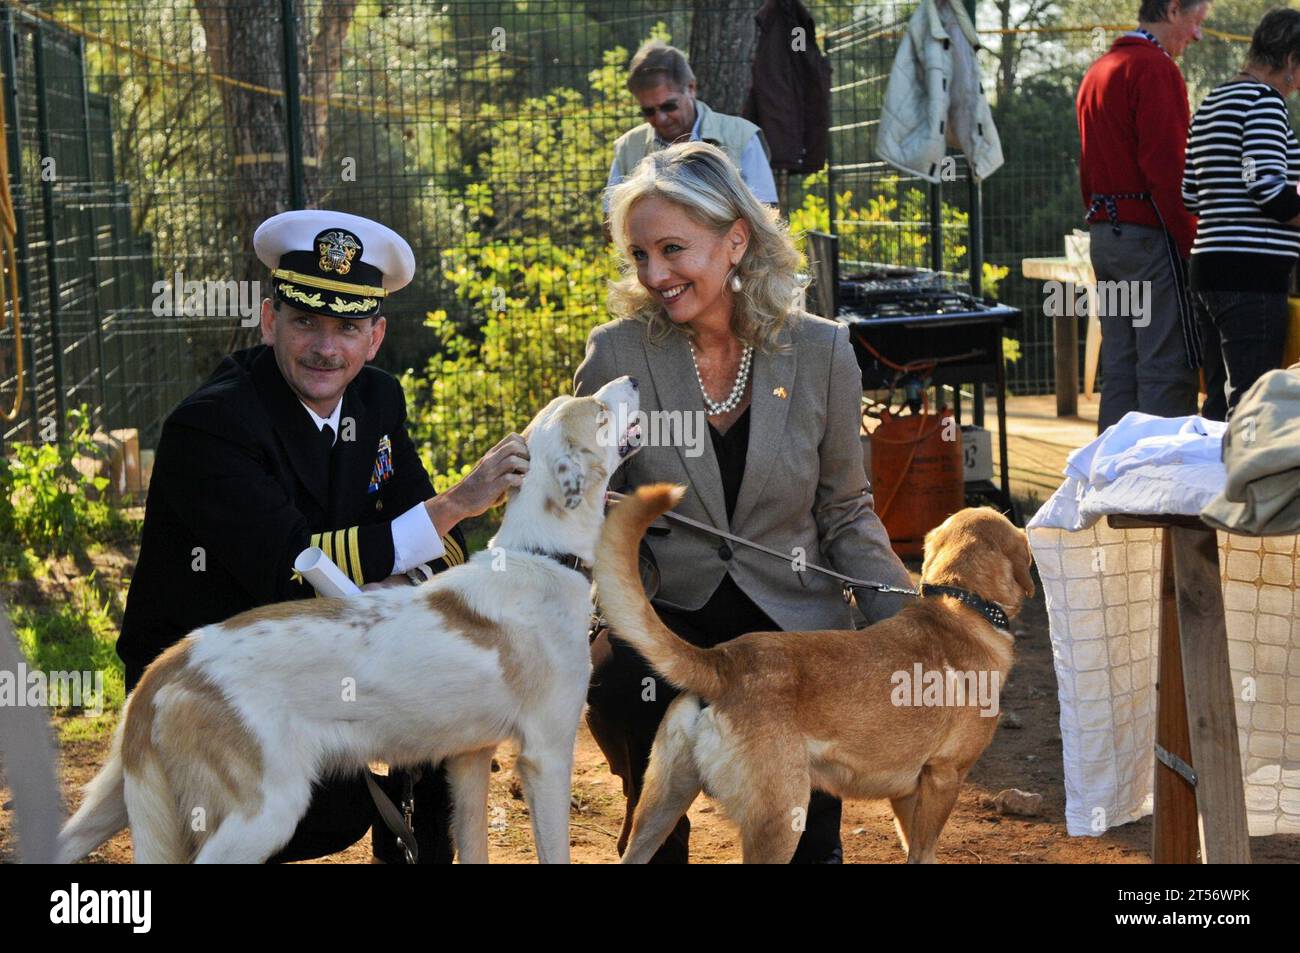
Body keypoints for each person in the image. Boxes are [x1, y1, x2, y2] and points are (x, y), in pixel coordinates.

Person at [117, 210, 530, 863]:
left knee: (444, 684)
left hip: (308, 654)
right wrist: (454, 505)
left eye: (347, 327)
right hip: (206, 681)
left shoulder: (377, 401)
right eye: (306, 321)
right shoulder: (213, 424)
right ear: (269, 320)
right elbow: (293, 563)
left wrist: (419, 561)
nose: (325, 348)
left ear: (376, 336)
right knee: (313, 813)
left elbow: (434, 540)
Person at [576, 142, 912, 863]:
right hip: (669, 617)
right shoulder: (617, 355)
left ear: (735, 240)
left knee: (805, 846)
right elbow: (584, 505)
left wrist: (908, 626)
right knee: (629, 708)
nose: (654, 275)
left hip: (795, 627)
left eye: (672, 249)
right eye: (640, 254)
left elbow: (846, 510)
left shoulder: (822, 352)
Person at [1076, 0, 1213, 433]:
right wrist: (1193, 244)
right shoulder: (1154, 68)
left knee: (1120, 366)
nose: (1197, 35)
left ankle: (1111, 471)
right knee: (1166, 368)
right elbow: (1169, 172)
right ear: (1172, 10)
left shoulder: (1099, 70)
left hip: (1105, 236)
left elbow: (1087, 168)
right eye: (1196, 21)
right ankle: (1160, 474)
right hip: (1149, 238)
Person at [1183, 8, 1300, 421]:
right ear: (1290, 60)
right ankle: (1243, 467)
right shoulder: (1264, 102)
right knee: (1251, 408)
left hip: (1208, 270)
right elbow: (1267, 189)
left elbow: (1190, 194)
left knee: (1219, 404)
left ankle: (1215, 466)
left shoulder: (1211, 102)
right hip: (1251, 275)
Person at [607, 40, 778, 207]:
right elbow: (611, 219)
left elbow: (766, 210)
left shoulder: (741, 136)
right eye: (648, 111)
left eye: (668, 106)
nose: (660, 119)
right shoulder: (628, 146)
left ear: (691, 88)